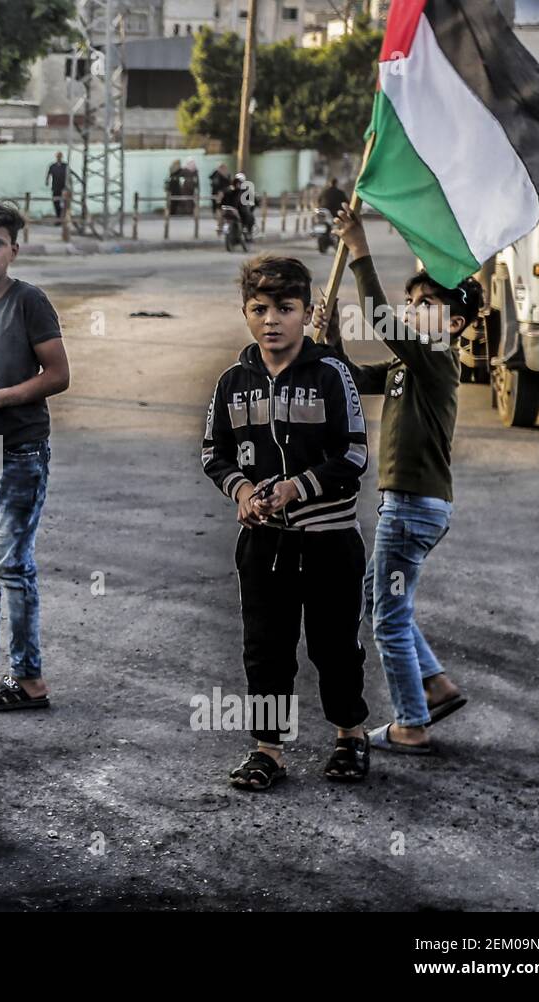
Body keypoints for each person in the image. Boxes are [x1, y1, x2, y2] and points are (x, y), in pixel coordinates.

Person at [201, 254, 371, 790]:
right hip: (263, 545)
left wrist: (298, 486)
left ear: (306, 312)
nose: (272, 320)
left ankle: (350, 736)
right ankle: (267, 750)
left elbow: (354, 455)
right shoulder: (232, 382)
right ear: (245, 312)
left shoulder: (331, 374)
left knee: (333, 645)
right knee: (266, 648)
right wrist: (245, 490)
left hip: (329, 540)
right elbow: (214, 453)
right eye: (260, 308)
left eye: (285, 308)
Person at [315, 207, 472, 755]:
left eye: (427, 304)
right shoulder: (410, 366)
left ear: (454, 323)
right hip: (408, 505)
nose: (413, 310)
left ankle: (411, 723)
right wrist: (332, 338)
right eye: (414, 301)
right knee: (376, 598)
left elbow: (381, 319)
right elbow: (354, 379)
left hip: (410, 506)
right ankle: (436, 685)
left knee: (388, 619)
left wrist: (359, 249)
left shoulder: (435, 355)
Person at [0, 202, 70, 711]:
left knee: (10, 564)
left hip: (21, 450)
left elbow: (57, 375)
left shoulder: (29, 301)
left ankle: (29, 680)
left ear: (13, 251)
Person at [45, 152, 69, 220]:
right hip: (55, 187)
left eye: (60, 156)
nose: (59, 158)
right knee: (56, 203)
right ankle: (58, 218)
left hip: (64, 188)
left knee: (64, 203)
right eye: (58, 156)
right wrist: (47, 181)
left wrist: (69, 186)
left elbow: (69, 176)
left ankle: (63, 218)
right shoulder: (52, 166)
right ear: (56, 157)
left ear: (62, 157)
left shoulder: (65, 166)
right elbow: (48, 174)